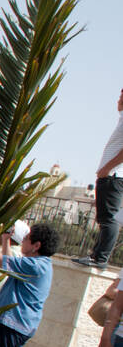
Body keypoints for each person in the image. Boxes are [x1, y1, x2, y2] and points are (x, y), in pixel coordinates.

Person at [73, 87, 123, 268]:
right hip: (110, 176)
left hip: (113, 176)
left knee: (109, 218)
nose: (118, 99)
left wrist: (107, 169)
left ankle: (100, 259)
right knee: (104, 218)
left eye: (121, 96)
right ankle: (96, 256)